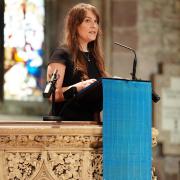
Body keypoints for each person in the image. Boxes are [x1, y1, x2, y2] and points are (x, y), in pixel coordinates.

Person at [47, 3, 108, 121]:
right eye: (87, 20)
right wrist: (77, 87)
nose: (94, 26)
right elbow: (51, 95)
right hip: (65, 124)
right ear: (75, 25)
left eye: (96, 21)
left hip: (91, 126)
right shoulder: (62, 54)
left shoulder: (95, 58)